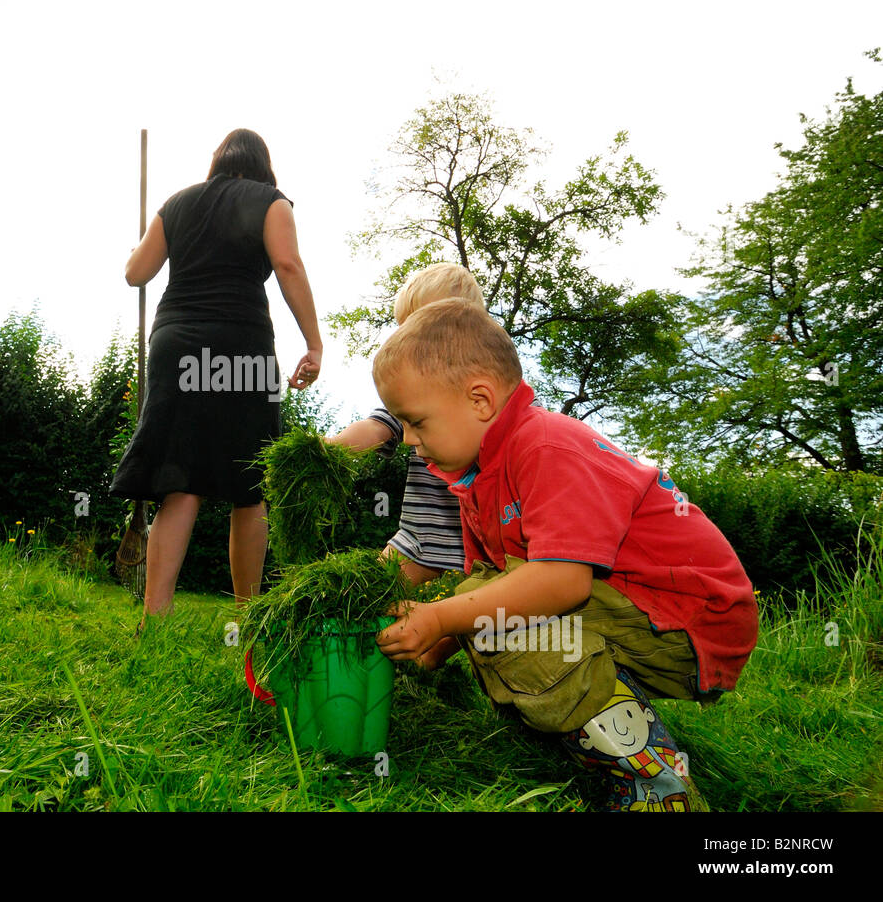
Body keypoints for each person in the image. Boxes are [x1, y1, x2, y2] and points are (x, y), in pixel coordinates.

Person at [371, 298, 759, 811]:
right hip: (636, 612)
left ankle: (659, 787)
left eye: (417, 422)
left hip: (689, 618)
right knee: (482, 601)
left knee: (501, 616)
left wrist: (442, 617)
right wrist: (438, 642)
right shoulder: (478, 479)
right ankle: (575, 735)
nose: (410, 443)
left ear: (480, 400)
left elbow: (561, 582)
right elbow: (484, 583)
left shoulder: (544, 446)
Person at [110, 129, 323, 620]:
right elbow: (288, 264)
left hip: (176, 344)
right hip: (240, 349)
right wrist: (313, 343)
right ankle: (249, 620)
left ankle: (154, 622)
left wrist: (141, 246)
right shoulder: (273, 202)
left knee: (180, 478)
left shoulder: (176, 204)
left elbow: (135, 273)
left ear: (217, 163)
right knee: (250, 483)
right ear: (263, 166)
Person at [327, 263, 485, 668]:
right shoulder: (412, 398)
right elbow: (377, 429)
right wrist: (329, 449)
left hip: (480, 549)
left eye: (420, 331)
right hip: (416, 539)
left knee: (464, 627)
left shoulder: (488, 396)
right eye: (404, 333)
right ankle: (352, 662)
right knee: (363, 593)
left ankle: (440, 655)